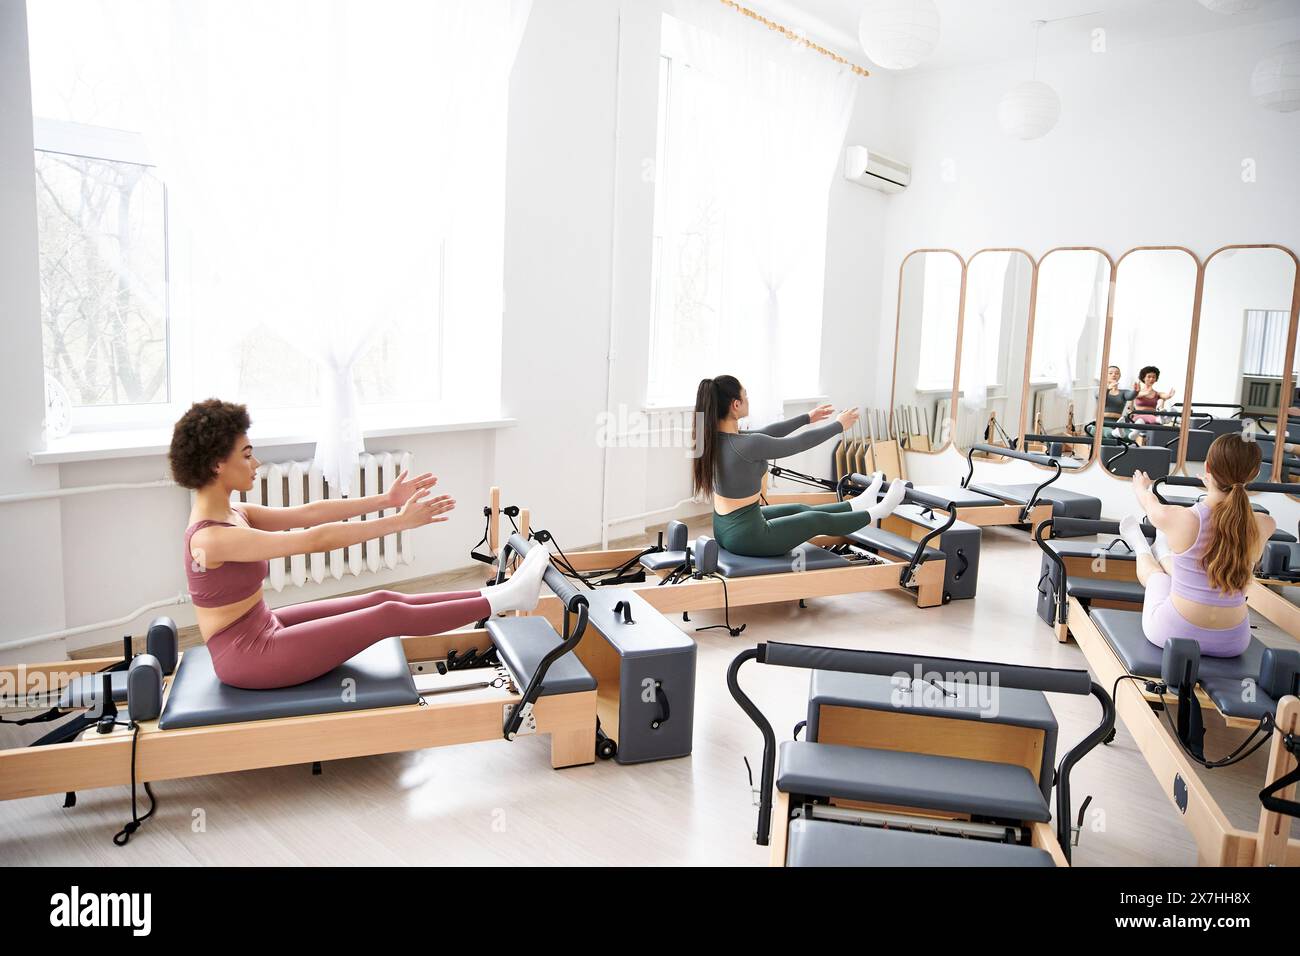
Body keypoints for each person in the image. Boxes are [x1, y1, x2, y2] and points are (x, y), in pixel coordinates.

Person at [172, 399, 550, 689]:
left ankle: (504, 594)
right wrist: (399, 522)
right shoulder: (212, 538)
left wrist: (385, 500)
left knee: (382, 600)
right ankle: (509, 598)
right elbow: (314, 541)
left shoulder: (233, 513)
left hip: (263, 627)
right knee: (387, 618)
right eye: (248, 455)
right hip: (247, 657)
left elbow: (308, 514)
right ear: (217, 464)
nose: (256, 464)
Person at [691, 375, 906, 558]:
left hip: (726, 527)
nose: (748, 399)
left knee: (799, 510)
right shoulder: (745, 444)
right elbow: (799, 444)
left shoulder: (716, 439)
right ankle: (879, 511)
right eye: (745, 395)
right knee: (814, 520)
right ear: (735, 405)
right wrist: (838, 425)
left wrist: (806, 418)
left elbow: (767, 432)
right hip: (748, 537)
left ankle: (859, 504)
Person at [1119, 433, 1274, 657]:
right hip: (1232, 642)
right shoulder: (1265, 524)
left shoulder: (1182, 518)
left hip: (1173, 632)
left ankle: (1140, 545)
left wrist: (1141, 487)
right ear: (1256, 474)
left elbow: (1149, 503)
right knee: (1194, 573)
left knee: (1159, 579)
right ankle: (1163, 552)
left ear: (1207, 468)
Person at [1102, 365, 1135, 442]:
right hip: (1102, 422)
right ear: (1105, 375)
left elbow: (1130, 396)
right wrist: (1107, 389)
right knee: (1105, 431)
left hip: (1117, 422)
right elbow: (1101, 397)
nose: (1114, 375)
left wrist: (1136, 391)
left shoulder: (1123, 392)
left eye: (1116, 373)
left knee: (1127, 435)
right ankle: (1114, 433)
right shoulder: (1100, 390)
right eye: (1110, 373)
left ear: (1119, 376)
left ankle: (1130, 435)